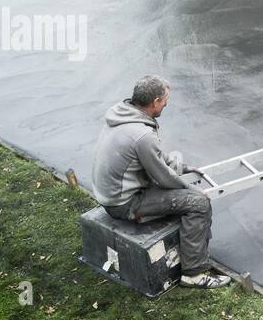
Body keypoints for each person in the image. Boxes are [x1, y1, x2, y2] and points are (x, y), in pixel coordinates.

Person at [92, 75, 230, 290]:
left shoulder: (123, 115)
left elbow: (151, 157)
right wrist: (194, 192)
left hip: (111, 193)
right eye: (165, 99)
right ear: (155, 101)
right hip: (124, 203)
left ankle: (193, 254)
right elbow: (163, 178)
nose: (167, 103)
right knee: (199, 204)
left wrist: (182, 168)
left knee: (185, 187)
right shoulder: (142, 134)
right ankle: (194, 273)